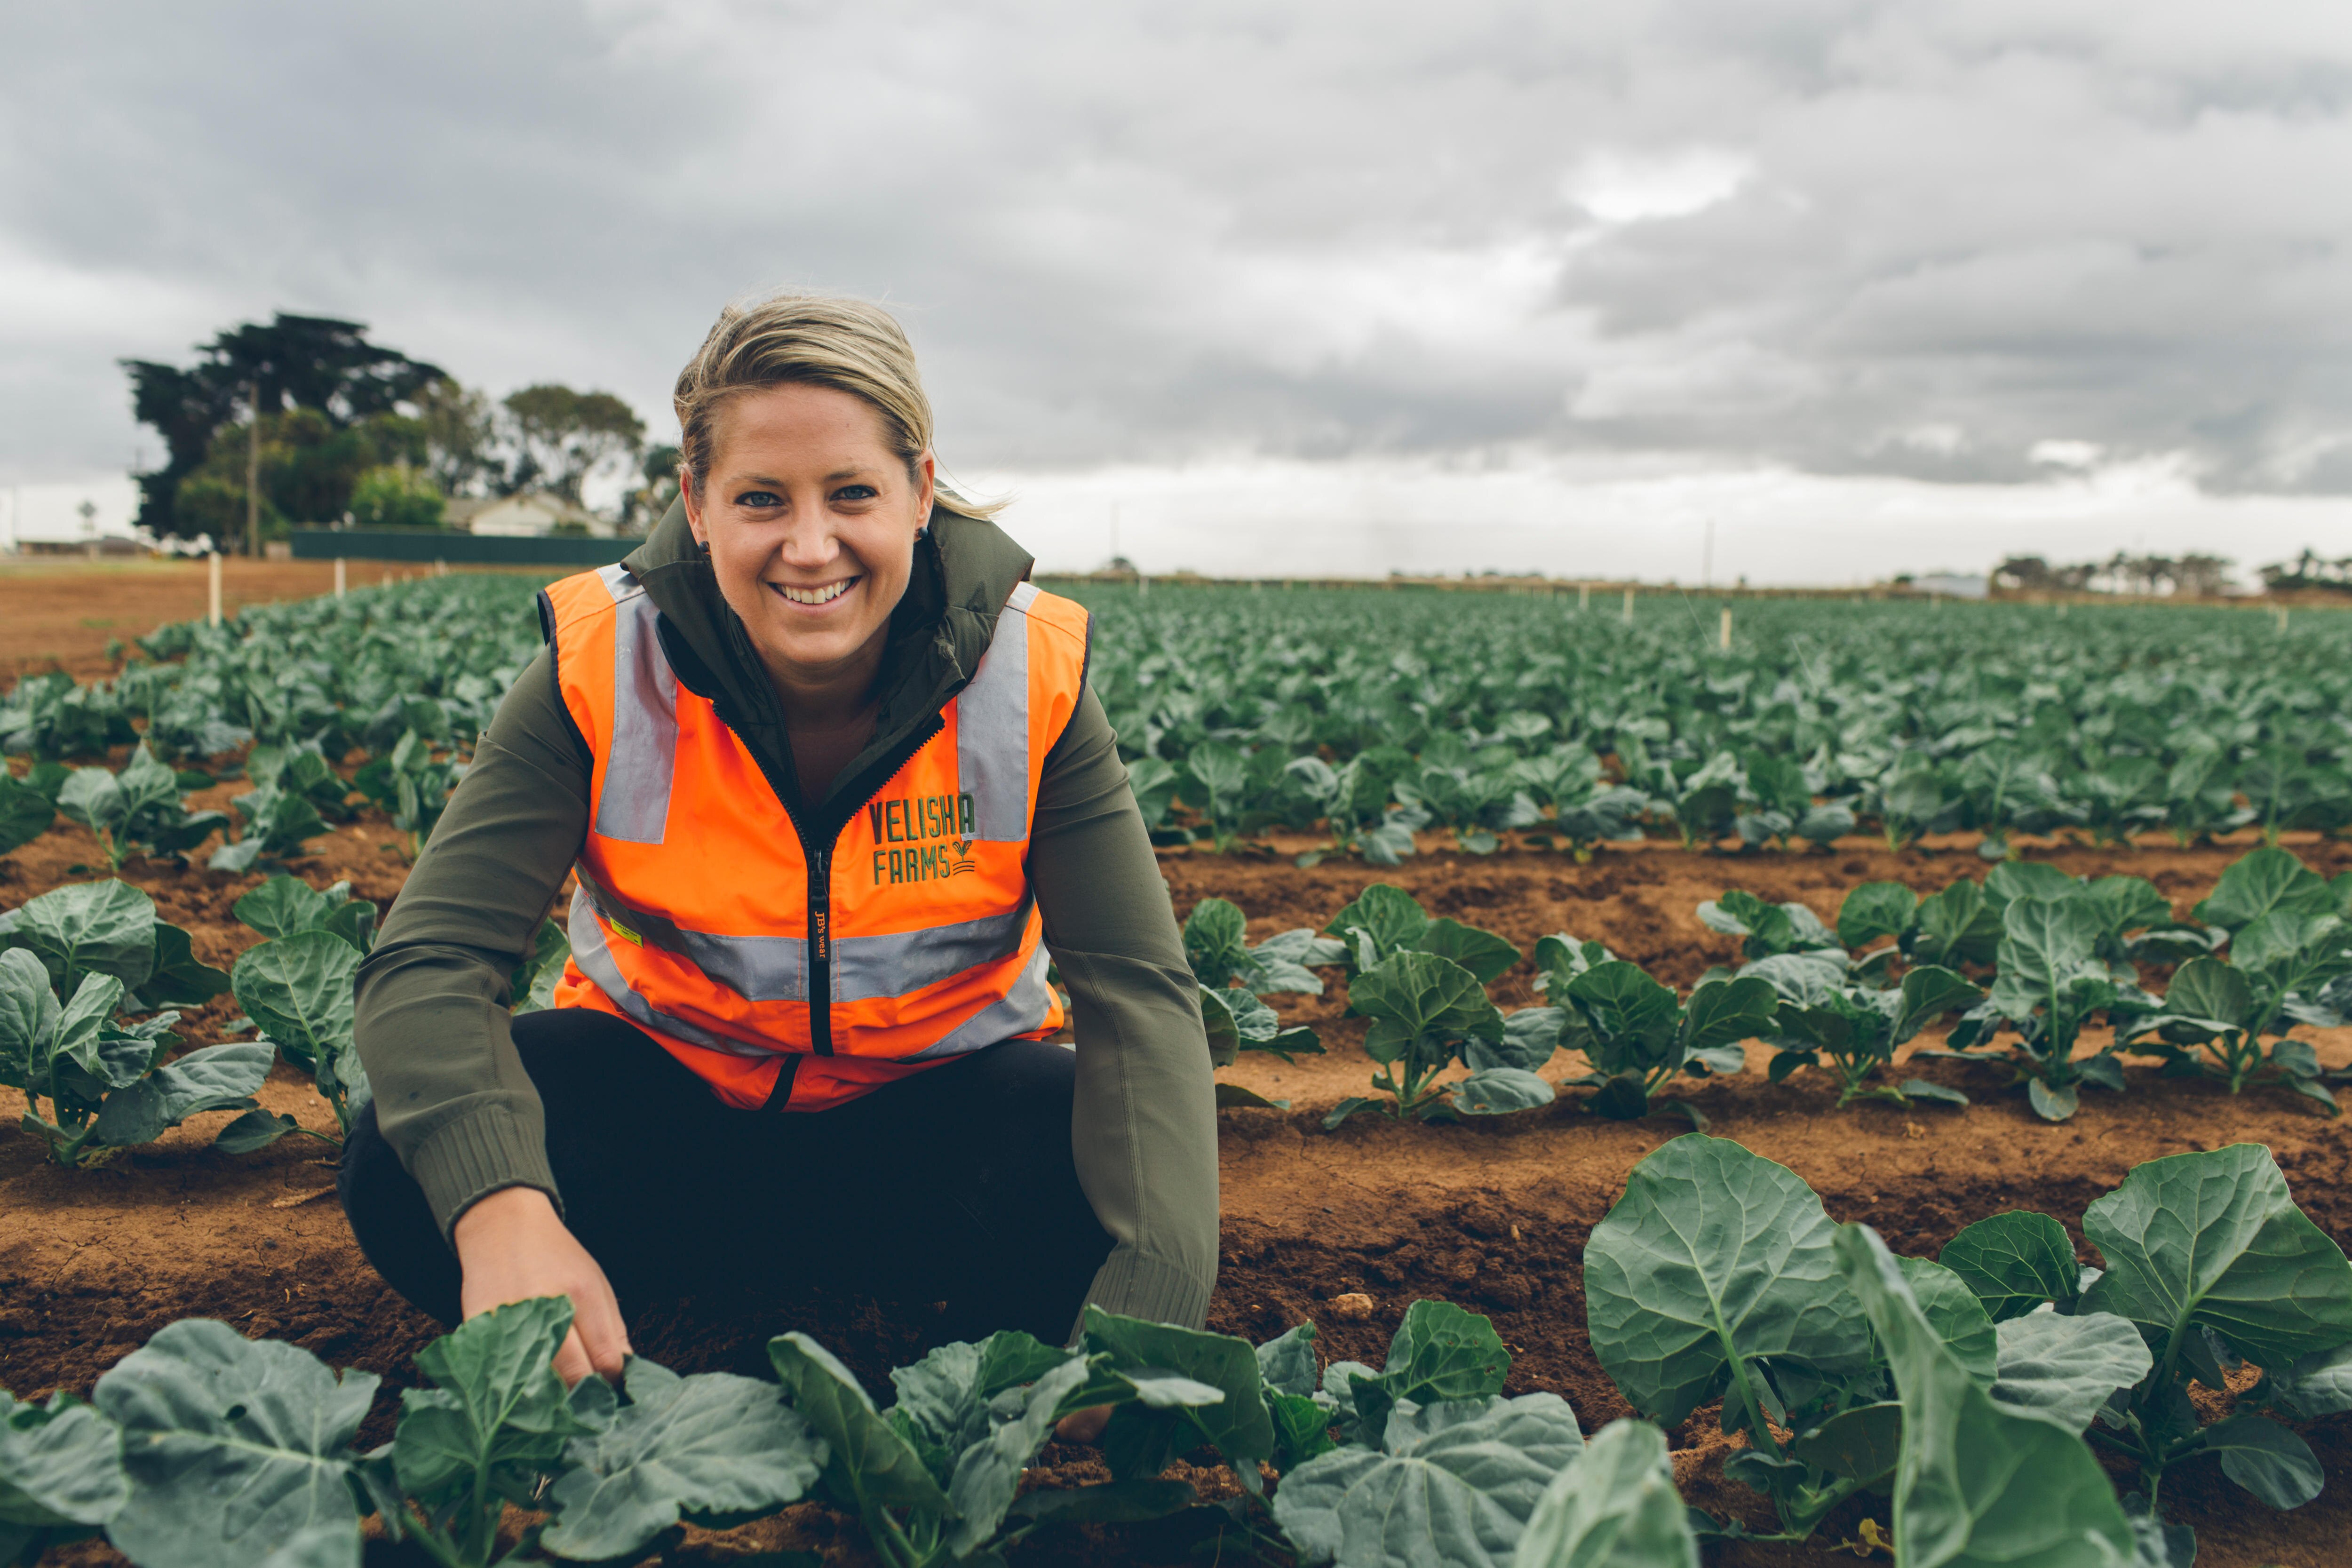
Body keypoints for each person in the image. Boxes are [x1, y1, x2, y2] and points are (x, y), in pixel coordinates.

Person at [339, 294, 1218, 1401]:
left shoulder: (1026, 671)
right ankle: (656, 1279)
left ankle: (771, 1288)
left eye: (852, 492)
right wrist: (506, 1212)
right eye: (762, 498)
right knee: (400, 1163)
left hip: (935, 1134)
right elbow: (428, 964)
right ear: (696, 505)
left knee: (1086, 1141)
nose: (811, 546)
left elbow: (1137, 991)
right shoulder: (601, 661)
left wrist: (1153, 1301)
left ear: (919, 491)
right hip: (674, 1125)